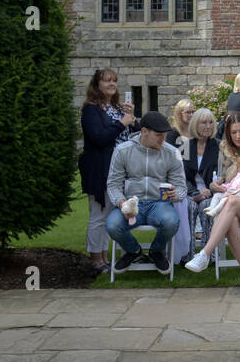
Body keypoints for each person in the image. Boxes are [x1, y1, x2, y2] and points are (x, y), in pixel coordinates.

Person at [184, 112, 240, 292]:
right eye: (234, 133)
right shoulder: (225, 150)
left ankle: (204, 254)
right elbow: (219, 180)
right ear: (228, 133)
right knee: (231, 220)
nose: (238, 136)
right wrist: (215, 185)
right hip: (232, 205)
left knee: (231, 203)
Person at [104, 111, 186, 275]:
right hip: (132, 202)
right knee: (112, 225)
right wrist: (122, 203)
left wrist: (175, 194)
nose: (162, 139)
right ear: (144, 132)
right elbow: (113, 184)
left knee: (171, 222)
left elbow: (181, 186)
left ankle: (156, 251)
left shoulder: (172, 152)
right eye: (158, 135)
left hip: (159, 203)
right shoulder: (123, 150)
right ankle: (134, 251)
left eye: (164, 135)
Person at [79, 68, 138, 274]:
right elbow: (98, 137)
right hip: (99, 168)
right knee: (98, 214)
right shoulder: (91, 110)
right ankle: (96, 259)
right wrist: (121, 123)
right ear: (97, 85)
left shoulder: (116, 107)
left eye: (114, 80)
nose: (112, 84)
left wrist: (130, 116)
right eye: (106, 81)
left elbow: (133, 134)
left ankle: (105, 256)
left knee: (111, 214)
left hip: (119, 170)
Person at [179, 107, 219, 254]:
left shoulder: (219, 146)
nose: (208, 126)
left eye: (210, 122)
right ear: (195, 125)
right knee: (189, 207)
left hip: (212, 192)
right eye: (203, 123)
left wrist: (210, 189)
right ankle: (187, 253)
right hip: (190, 191)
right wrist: (195, 192)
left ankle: (208, 253)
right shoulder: (185, 147)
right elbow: (181, 176)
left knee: (206, 206)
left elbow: (223, 175)